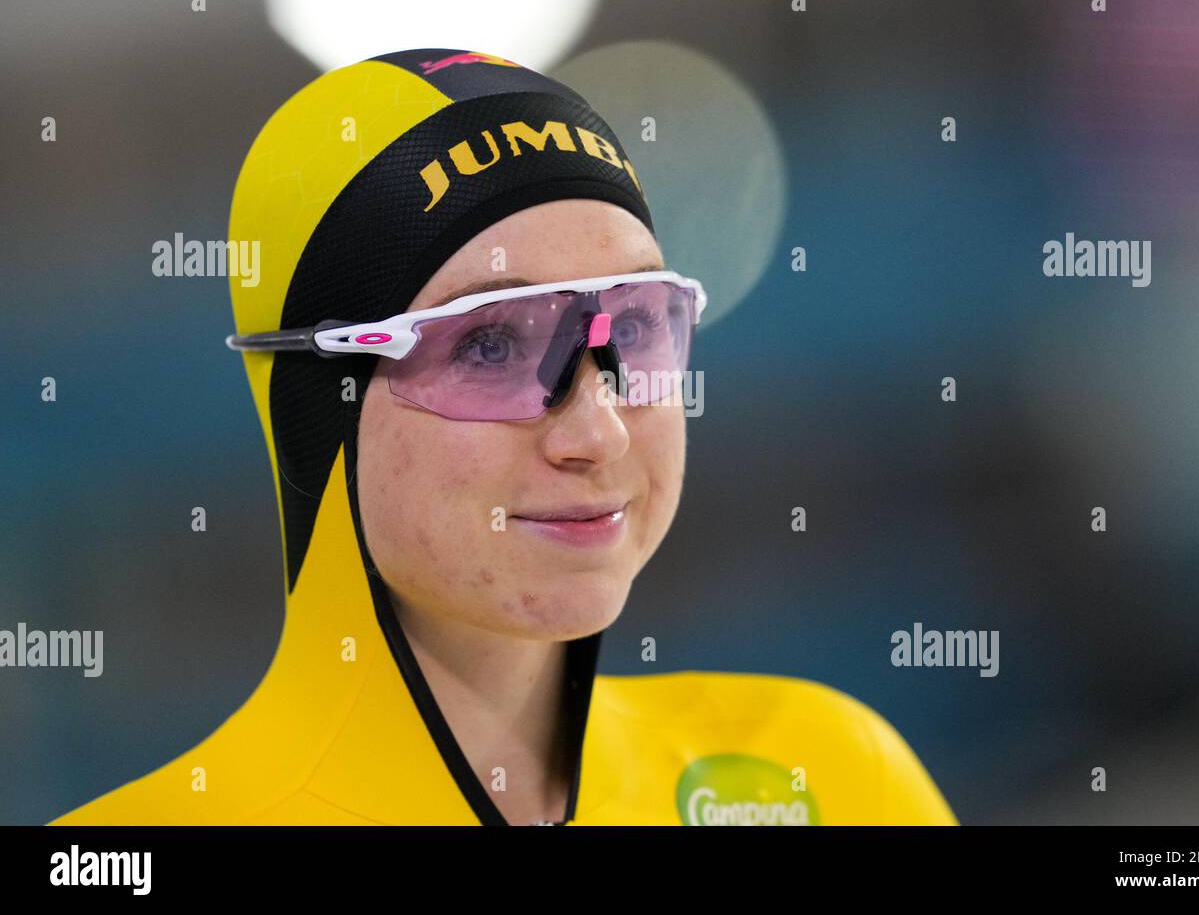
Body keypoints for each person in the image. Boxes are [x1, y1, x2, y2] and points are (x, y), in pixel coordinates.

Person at [48, 48, 956, 825]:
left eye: (634, 326)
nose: (595, 434)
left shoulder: (830, 776)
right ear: (314, 400)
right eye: (489, 342)